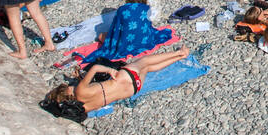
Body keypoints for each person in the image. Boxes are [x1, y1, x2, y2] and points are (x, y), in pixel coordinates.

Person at [45, 44, 191, 115]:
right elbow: (95, 68)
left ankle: (179, 57)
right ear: (66, 91)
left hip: (133, 89)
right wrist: (110, 70)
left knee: (148, 68)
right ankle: (179, 53)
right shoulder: (80, 89)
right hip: (123, 78)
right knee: (145, 61)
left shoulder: (84, 108)